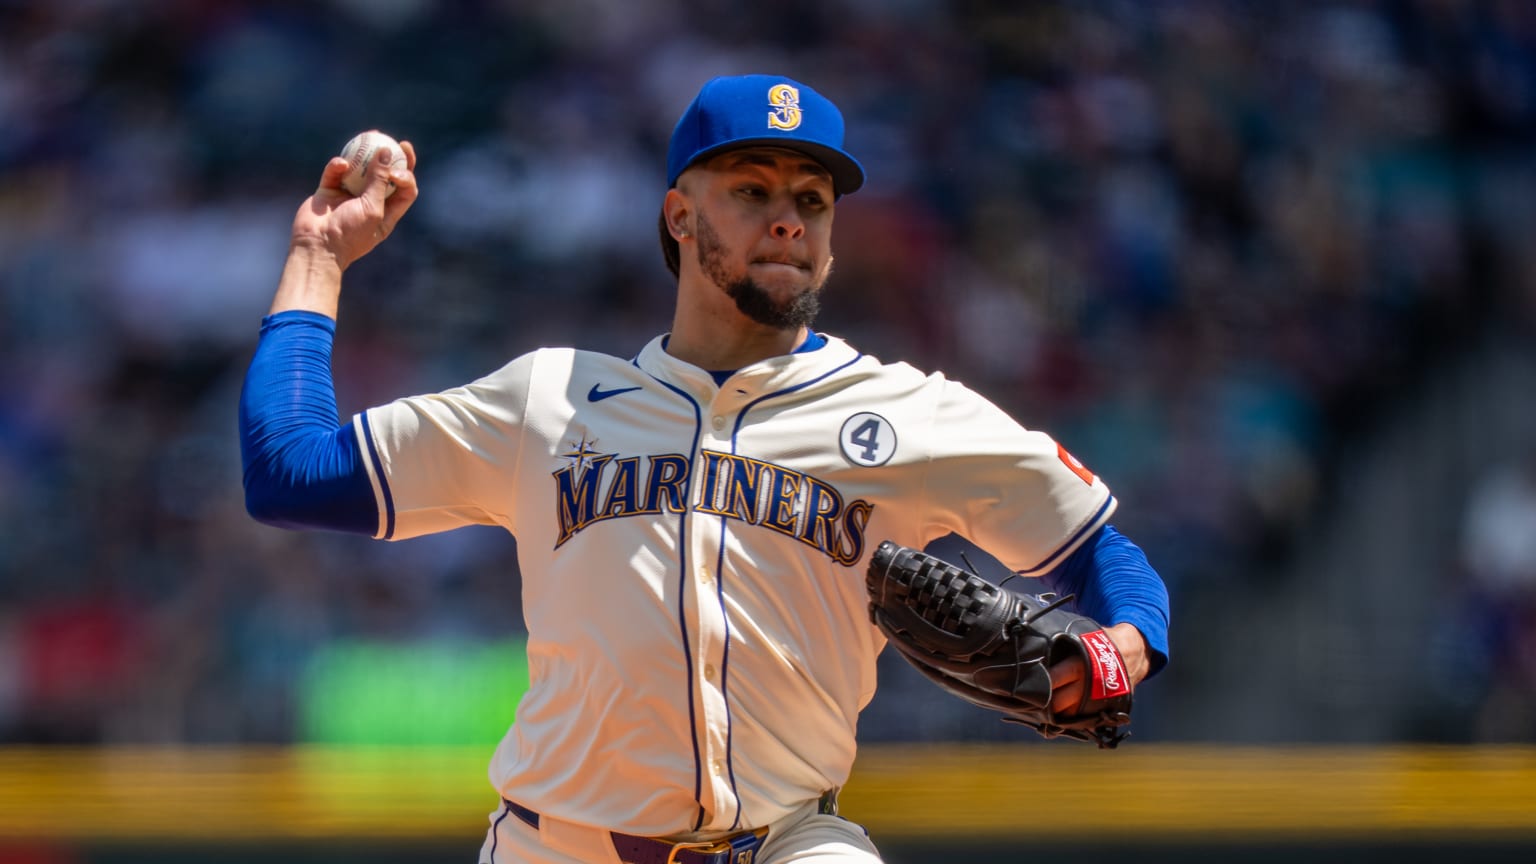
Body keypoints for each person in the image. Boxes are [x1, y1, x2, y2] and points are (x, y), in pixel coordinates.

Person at [239, 74, 1171, 864]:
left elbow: (1100, 555)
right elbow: (289, 472)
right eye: (753, 191)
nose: (786, 222)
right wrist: (318, 258)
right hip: (556, 843)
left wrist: (1124, 647)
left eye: (811, 201)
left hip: (789, 840)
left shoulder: (906, 414)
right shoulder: (549, 399)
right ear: (680, 216)